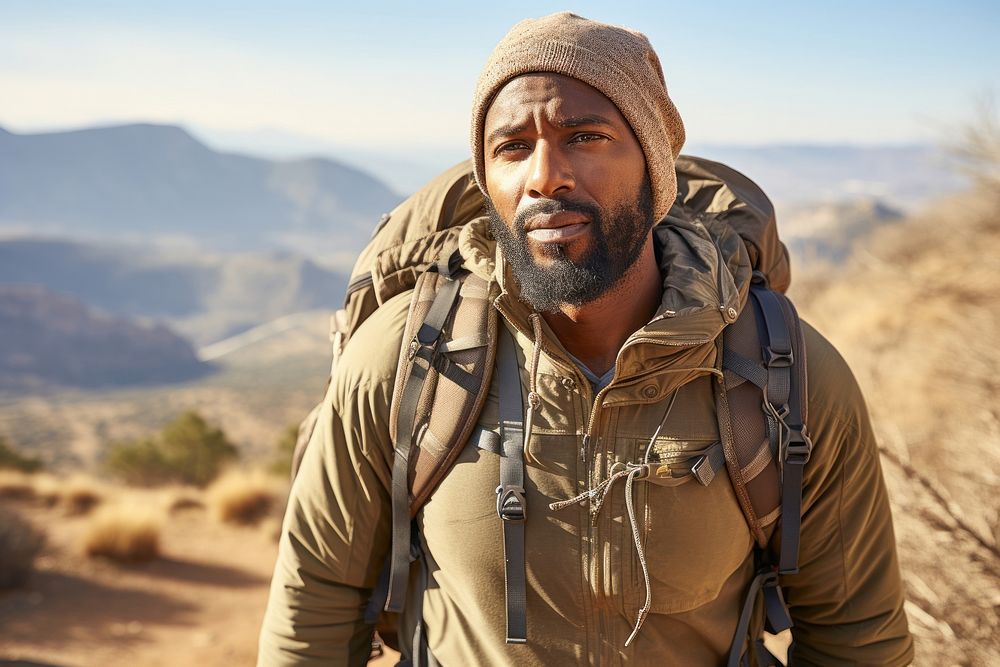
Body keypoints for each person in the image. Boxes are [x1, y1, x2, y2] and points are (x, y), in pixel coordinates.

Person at [258, 12, 913, 666]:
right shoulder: (407, 362)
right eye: (512, 147)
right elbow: (313, 609)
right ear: (489, 180)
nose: (546, 175)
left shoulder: (786, 375)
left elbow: (859, 639)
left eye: (586, 136)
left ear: (654, 167)